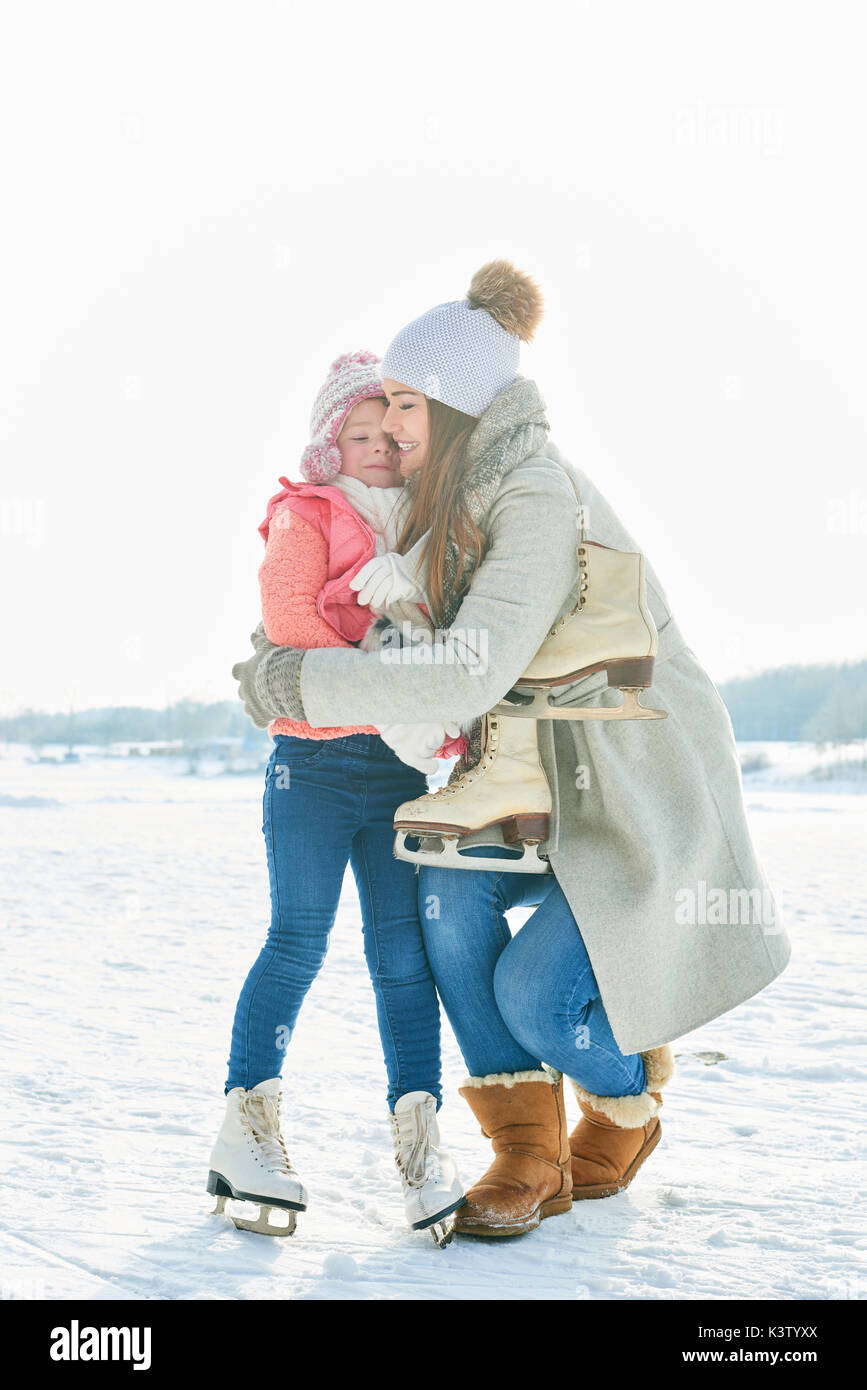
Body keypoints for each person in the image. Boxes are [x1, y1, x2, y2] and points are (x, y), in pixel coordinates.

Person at [233, 263, 791, 1239]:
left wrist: (297, 682)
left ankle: (626, 1093)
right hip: (537, 787)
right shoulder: (442, 504)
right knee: (446, 897)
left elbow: (464, 672)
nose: (392, 420)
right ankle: (528, 1152)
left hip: (629, 788)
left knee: (535, 995)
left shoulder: (530, 496)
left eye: (408, 401)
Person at [209, 351, 464, 1242]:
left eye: (387, 437)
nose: (375, 452)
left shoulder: (428, 523)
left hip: (396, 772)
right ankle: (246, 1128)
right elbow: (289, 621)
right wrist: (384, 684)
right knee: (298, 939)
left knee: (404, 955)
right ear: (328, 444)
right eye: (354, 435)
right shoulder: (305, 512)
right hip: (312, 767)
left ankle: (421, 1142)